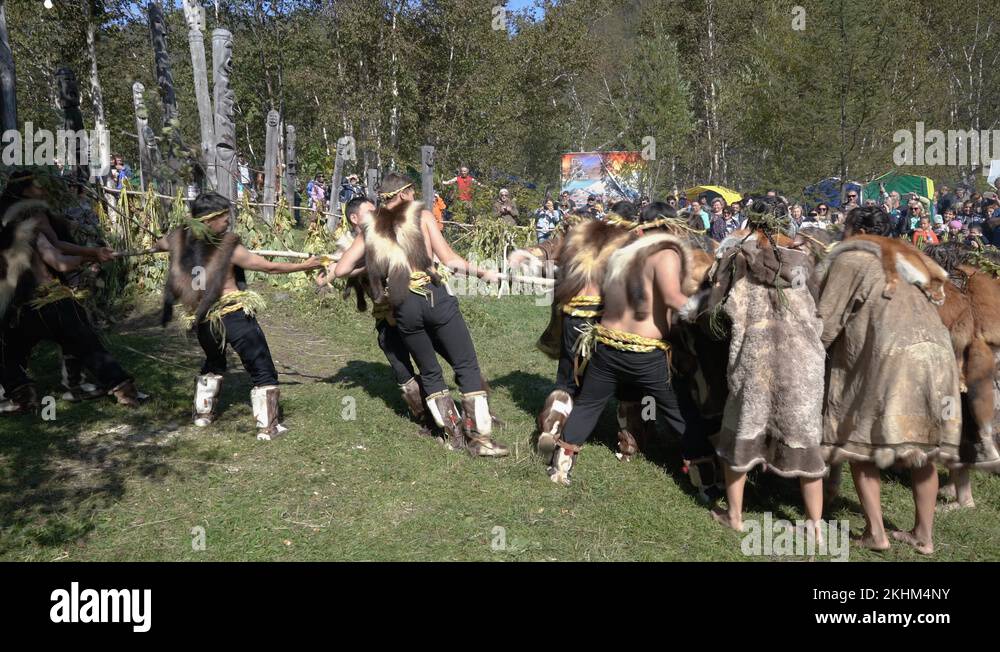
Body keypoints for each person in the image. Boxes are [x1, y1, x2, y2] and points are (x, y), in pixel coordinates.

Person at [816, 205, 961, 554]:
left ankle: (876, 533)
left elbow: (826, 319)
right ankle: (924, 538)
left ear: (854, 230)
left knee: (862, 443)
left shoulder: (850, 258)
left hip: (889, 355)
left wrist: (808, 350)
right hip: (936, 352)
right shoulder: (911, 255)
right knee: (923, 448)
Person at [333, 172, 509, 456]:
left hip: (403, 305)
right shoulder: (422, 216)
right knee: (466, 365)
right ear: (402, 194)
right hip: (433, 296)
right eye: (411, 191)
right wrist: (483, 272)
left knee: (430, 372)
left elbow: (341, 270)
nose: (415, 196)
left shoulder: (369, 228)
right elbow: (450, 259)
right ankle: (480, 440)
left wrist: (375, 265)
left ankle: (453, 437)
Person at [545, 207, 709, 485]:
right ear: (670, 227)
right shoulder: (664, 251)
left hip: (605, 348)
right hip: (644, 355)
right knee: (677, 410)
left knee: (588, 405)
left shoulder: (621, 250)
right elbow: (672, 297)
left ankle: (561, 465)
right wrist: (705, 308)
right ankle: (705, 478)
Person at [698, 198, 826, 534]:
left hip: (755, 356)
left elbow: (714, 309)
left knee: (740, 431)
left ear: (751, 219)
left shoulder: (736, 255)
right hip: (803, 360)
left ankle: (736, 516)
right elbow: (819, 308)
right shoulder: (804, 259)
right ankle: (814, 527)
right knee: (805, 438)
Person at [154, 192, 324, 439]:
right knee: (261, 366)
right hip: (233, 315)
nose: (228, 220)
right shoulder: (228, 247)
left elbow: (160, 244)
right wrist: (305, 266)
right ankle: (268, 426)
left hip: (203, 321)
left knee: (213, 363)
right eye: (223, 216)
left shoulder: (178, 239)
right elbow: (269, 267)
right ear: (209, 219)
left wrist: (159, 245)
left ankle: (203, 415)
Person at [0, 169, 142, 413]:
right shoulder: (27, 223)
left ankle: (24, 394)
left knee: (9, 353)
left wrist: (93, 253)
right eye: (38, 186)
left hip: (25, 309)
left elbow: (57, 246)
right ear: (24, 191)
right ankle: (122, 390)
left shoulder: (24, 220)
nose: (44, 190)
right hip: (52, 303)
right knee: (88, 346)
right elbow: (59, 261)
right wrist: (89, 258)